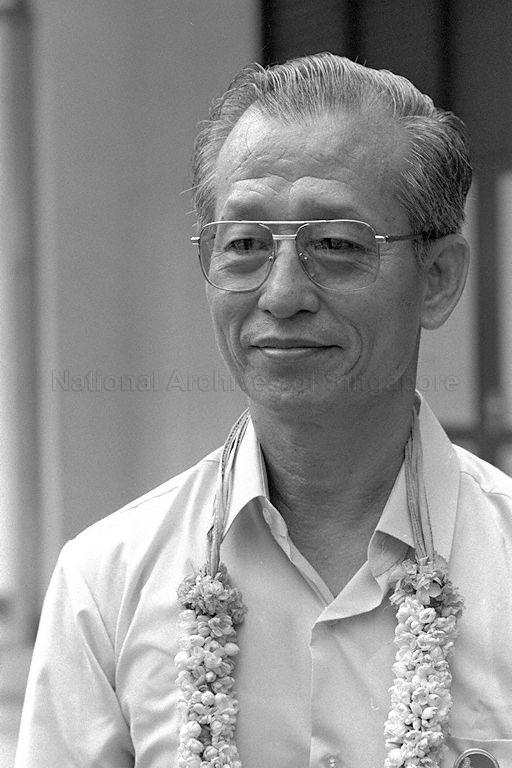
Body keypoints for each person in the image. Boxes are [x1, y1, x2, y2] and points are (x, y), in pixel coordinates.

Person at [15, 53, 512, 768]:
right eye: (245, 245)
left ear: (436, 280)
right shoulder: (109, 584)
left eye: (336, 245)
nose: (281, 294)